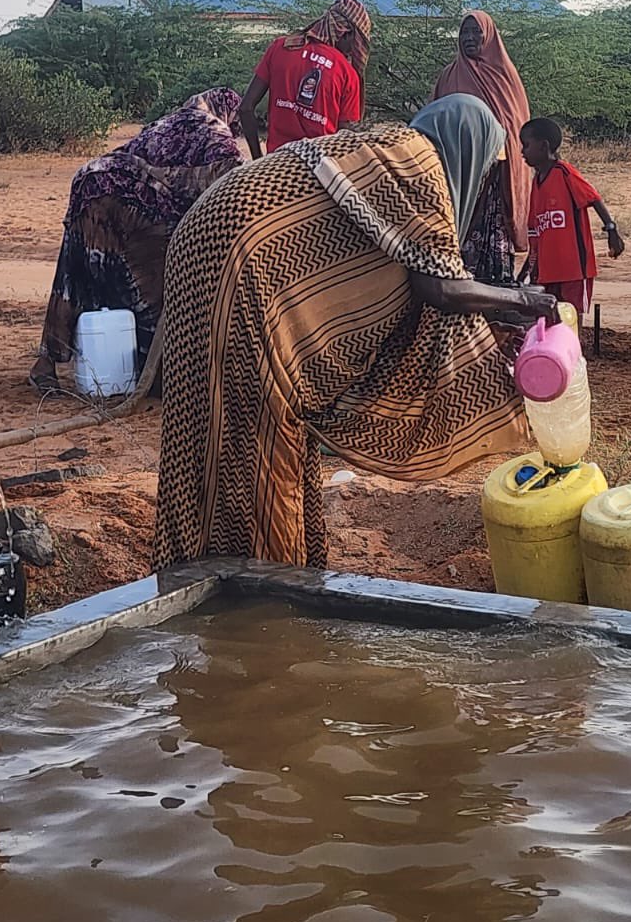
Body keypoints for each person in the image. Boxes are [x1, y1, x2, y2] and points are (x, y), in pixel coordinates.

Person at [152, 95, 559, 571]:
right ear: (469, 147)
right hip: (238, 266)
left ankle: (204, 569)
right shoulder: (421, 166)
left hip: (205, 241)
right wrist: (525, 300)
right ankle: (261, 595)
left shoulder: (391, 145)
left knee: (213, 426)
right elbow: (441, 289)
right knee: (257, 435)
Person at [31, 89, 245, 393]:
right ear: (229, 112)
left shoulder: (168, 122)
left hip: (91, 184)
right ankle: (150, 372)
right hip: (128, 201)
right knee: (152, 285)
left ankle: (45, 366)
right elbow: (235, 183)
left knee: (73, 277)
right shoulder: (215, 132)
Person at [432, 11, 532, 284]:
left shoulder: (504, 76)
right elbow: (434, 120)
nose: (470, 38)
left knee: (493, 235)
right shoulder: (448, 76)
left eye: (476, 32)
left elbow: (514, 125)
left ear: (489, 36)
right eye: (464, 32)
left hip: (495, 175)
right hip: (457, 175)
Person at [239, 0, 371, 160]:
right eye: (356, 42)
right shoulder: (346, 73)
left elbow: (245, 108)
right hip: (319, 172)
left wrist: (258, 160)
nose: (353, 50)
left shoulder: (280, 47)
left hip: (274, 166)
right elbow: (345, 137)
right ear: (345, 32)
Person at [519, 119, 625, 316]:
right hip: (548, 270)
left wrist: (611, 230)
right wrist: (529, 269)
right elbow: (535, 231)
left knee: (573, 319)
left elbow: (594, 198)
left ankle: (575, 348)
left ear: (544, 146)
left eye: (526, 145)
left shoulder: (564, 173)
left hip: (574, 269)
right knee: (550, 320)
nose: (522, 151)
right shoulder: (536, 183)